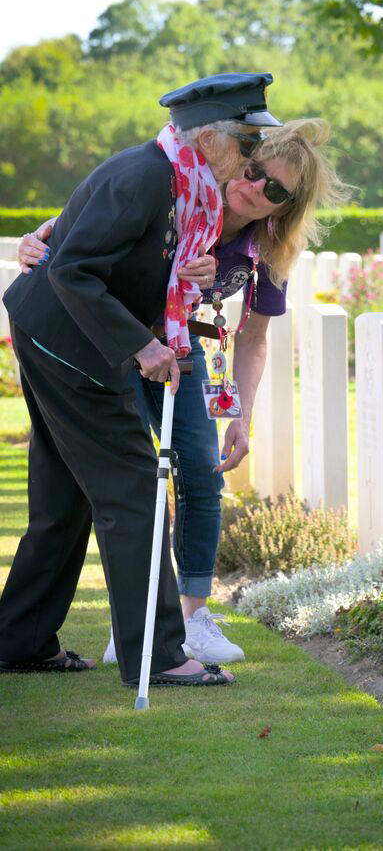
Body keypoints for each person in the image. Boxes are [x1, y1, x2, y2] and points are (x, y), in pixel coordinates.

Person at [17, 118, 349, 666]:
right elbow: (93, 223)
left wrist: (241, 415)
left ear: (287, 205)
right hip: (115, 338)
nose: (251, 188)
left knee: (199, 466)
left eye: (273, 189)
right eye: (252, 170)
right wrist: (40, 236)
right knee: (124, 480)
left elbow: (254, 337)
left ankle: (192, 617)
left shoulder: (266, 249)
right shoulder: (188, 188)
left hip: (180, 345)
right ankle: (143, 620)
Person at [0, 72, 282, 688]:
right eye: (246, 143)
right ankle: (158, 655)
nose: (253, 157)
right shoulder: (145, 176)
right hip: (69, 345)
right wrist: (143, 345)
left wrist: (195, 281)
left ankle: (21, 638)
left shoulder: (182, 180)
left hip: (59, 336)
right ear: (209, 139)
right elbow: (73, 268)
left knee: (65, 496)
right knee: (135, 492)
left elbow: (134, 262)